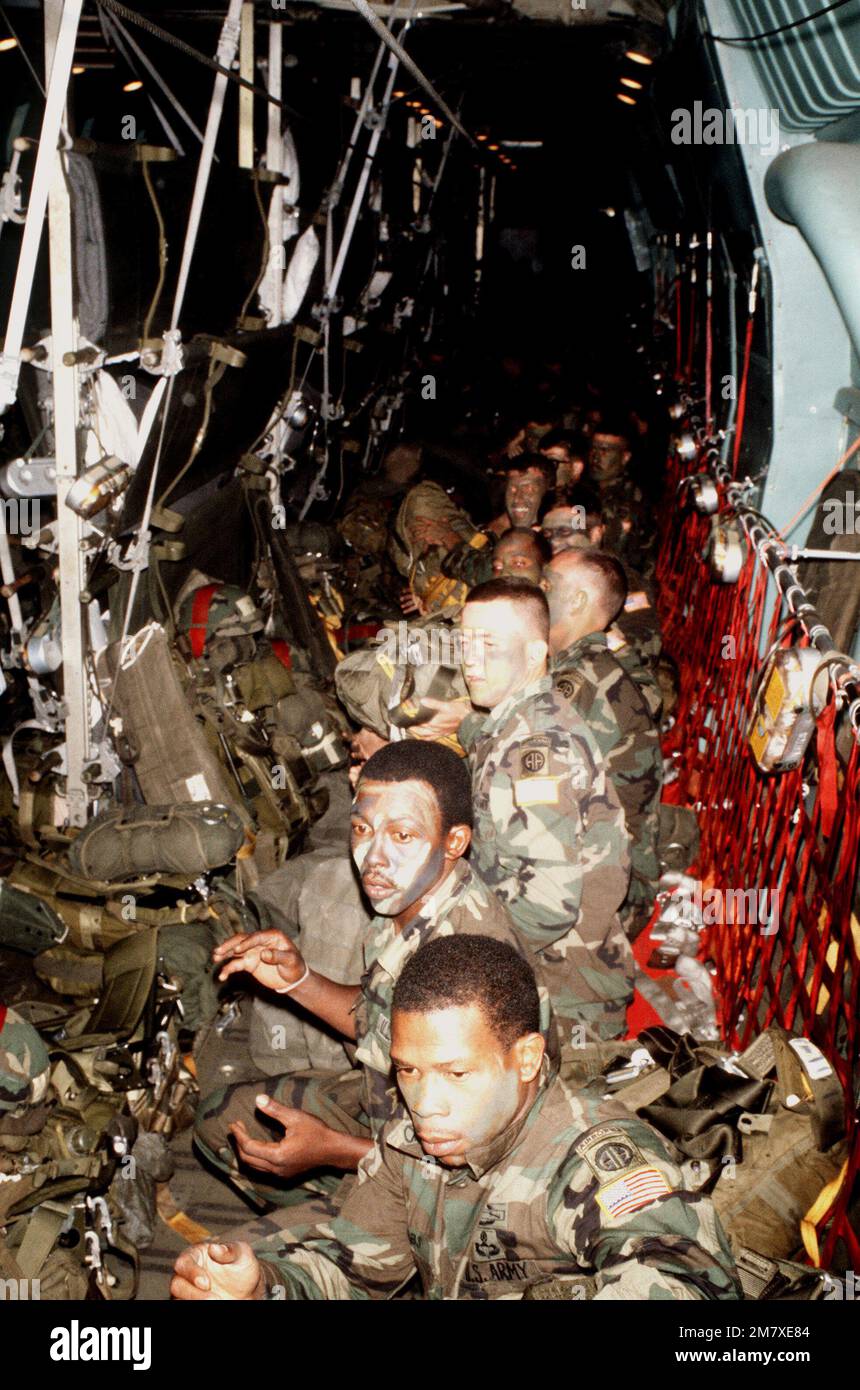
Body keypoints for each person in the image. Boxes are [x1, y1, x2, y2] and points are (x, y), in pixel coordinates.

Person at [171, 936, 741, 1302]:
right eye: (408, 1070)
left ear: (526, 1059)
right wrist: (264, 1286)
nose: (425, 1103)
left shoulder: (594, 1158)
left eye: (456, 1073)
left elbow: (690, 1284)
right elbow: (356, 1268)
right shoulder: (412, 1140)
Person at [194, 740, 553, 1208]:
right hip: (389, 1105)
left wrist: (334, 1151)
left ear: (455, 842)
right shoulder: (411, 903)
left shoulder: (470, 963)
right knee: (222, 1120)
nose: (373, 857)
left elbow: (475, 1164)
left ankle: (358, 1231)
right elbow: (379, 1020)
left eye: (402, 835)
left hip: (461, 1189)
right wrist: (296, 981)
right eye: (362, 829)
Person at [457, 577, 634, 1051]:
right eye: (465, 643)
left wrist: (451, 938)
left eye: (488, 645)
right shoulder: (517, 720)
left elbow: (546, 905)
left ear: (535, 653)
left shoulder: (537, 749)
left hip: (563, 1000)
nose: (470, 660)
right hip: (546, 979)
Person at [543, 549, 662, 939]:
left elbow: (520, 781)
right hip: (598, 865)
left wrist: (464, 726)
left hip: (607, 898)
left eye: (546, 584)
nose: (537, 591)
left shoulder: (582, 682)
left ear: (578, 601)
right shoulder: (579, 664)